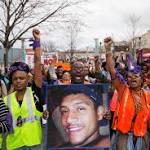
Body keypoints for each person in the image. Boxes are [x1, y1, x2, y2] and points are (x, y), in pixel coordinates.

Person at [3, 29, 48, 150]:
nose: (18, 81)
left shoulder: (34, 92)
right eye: (15, 78)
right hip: (13, 145)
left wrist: (37, 42)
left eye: (22, 78)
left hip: (33, 143)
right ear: (11, 81)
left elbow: (37, 64)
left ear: (27, 78)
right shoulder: (5, 100)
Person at [104, 37, 150, 150]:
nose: (133, 78)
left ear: (142, 79)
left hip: (142, 136)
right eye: (129, 76)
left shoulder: (147, 94)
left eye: (136, 76)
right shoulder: (123, 90)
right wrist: (108, 50)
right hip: (124, 136)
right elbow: (112, 71)